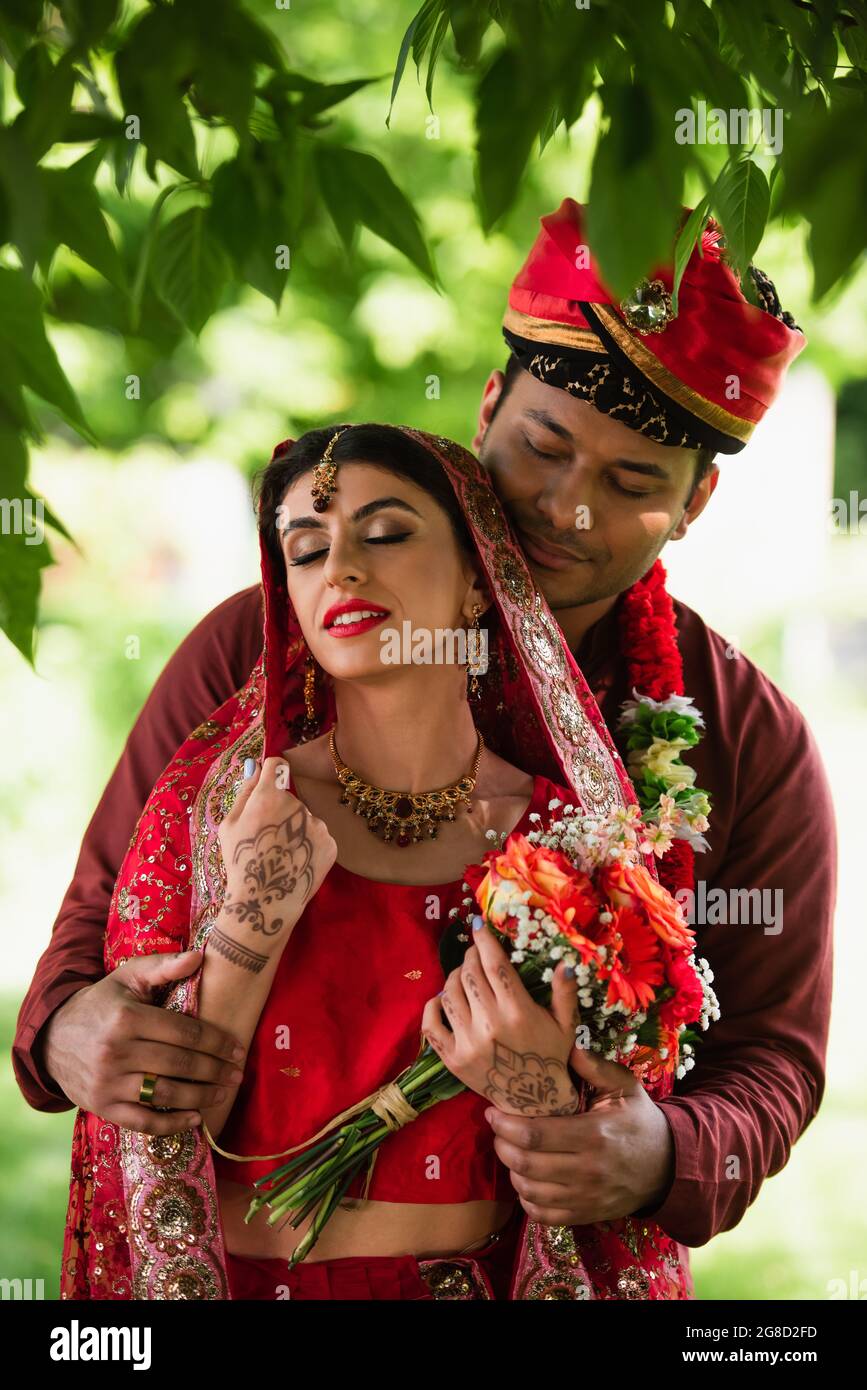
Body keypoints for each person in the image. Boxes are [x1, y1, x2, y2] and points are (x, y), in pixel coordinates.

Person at [14, 199, 836, 1272]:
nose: (565, 507)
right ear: (490, 403)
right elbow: (89, 936)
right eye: (542, 446)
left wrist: (658, 1151)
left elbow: (775, 1055)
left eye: (633, 483)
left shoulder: (742, 738)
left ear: (698, 503)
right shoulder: (259, 653)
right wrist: (70, 1033)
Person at [58, 423, 694, 1300]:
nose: (342, 571)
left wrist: (531, 1083)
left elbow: (602, 1153)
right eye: (307, 550)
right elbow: (152, 1122)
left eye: (386, 534)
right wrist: (250, 922)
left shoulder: (565, 840)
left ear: (480, 580)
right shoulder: (224, 809)